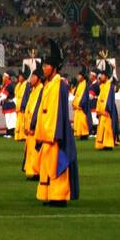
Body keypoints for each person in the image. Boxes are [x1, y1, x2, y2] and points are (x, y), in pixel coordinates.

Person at [32, 40, 78, 206]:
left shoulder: (59, 85)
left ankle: (58, 196)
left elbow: (58, 112)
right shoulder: (49, 85)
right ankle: (49, 194)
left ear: (54, 68)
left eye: (46, 66)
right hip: (46, 134)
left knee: (56, 165)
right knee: (46, 166)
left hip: (54, 135)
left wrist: (54, 134)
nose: (44, 68)